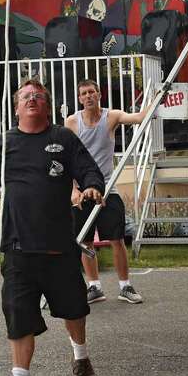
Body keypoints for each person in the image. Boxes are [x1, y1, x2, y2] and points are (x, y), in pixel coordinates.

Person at [0, 78, 106, 376]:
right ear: (16, 107)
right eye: (26, 96)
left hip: (58, 248)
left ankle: (80, 357)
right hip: (17, 250)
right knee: (18, 318)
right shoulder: (4, 144)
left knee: (74, 310)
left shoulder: (63, 138)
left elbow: (89, 169)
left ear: (48, 105)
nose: (32, 99)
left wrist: (91, 186)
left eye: (39, 95)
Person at [65, 78, 150, 304]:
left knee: (116, 239)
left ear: (99, 94)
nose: (88, 96)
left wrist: (157, 97)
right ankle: (94, 287)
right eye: (83, 93)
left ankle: (125, 286)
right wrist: (73, 189)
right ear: (79, 98)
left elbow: (140, 118)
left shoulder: (111, 117)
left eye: (91, 92)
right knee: (85, 241)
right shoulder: (72, 122)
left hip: (107, 188)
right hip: (82, 191)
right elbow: (66, 158)